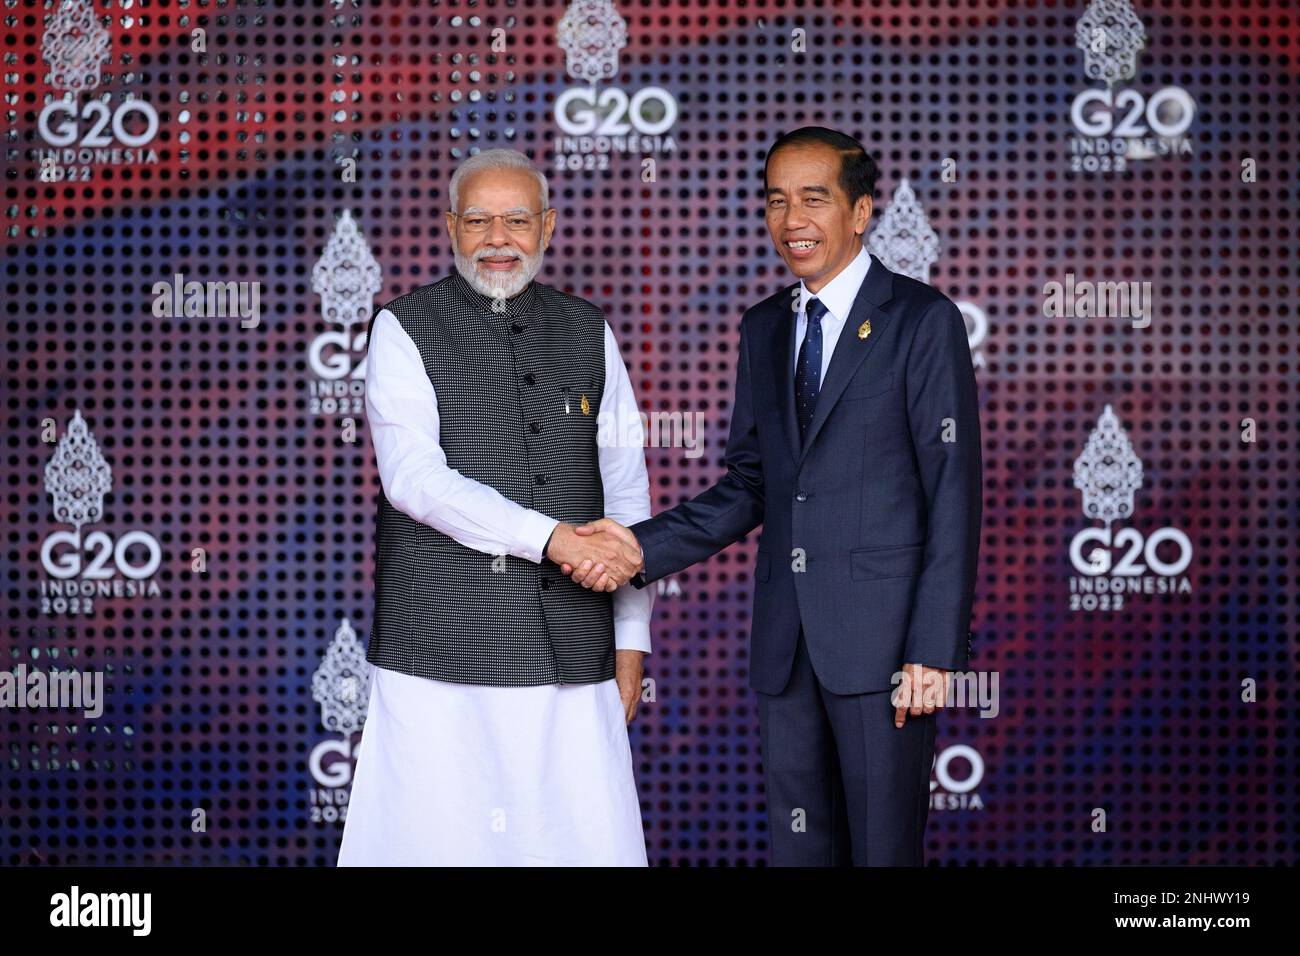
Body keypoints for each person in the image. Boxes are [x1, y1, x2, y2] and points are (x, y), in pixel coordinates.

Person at [563, 127, 983, 866]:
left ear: (860, 212)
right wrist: (637, 552)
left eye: (814, 199)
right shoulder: (764, 326)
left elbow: (953, 488)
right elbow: (754, 483)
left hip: (885, 653)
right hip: (787, 650)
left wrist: (933, 649)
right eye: (777, 201)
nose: (793, 220)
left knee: (883, 852)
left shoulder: (922, 319)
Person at [338, 148, 651, 866]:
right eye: (478, 220)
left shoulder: (588, 328)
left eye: (516, 219)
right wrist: (554, 539)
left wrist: (634, 638)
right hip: (439, 651)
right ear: (450, 227)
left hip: (577, 652)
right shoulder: (402, 326)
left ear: (548, 227)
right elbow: (414, 479)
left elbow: (625, 493)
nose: (497, 239)